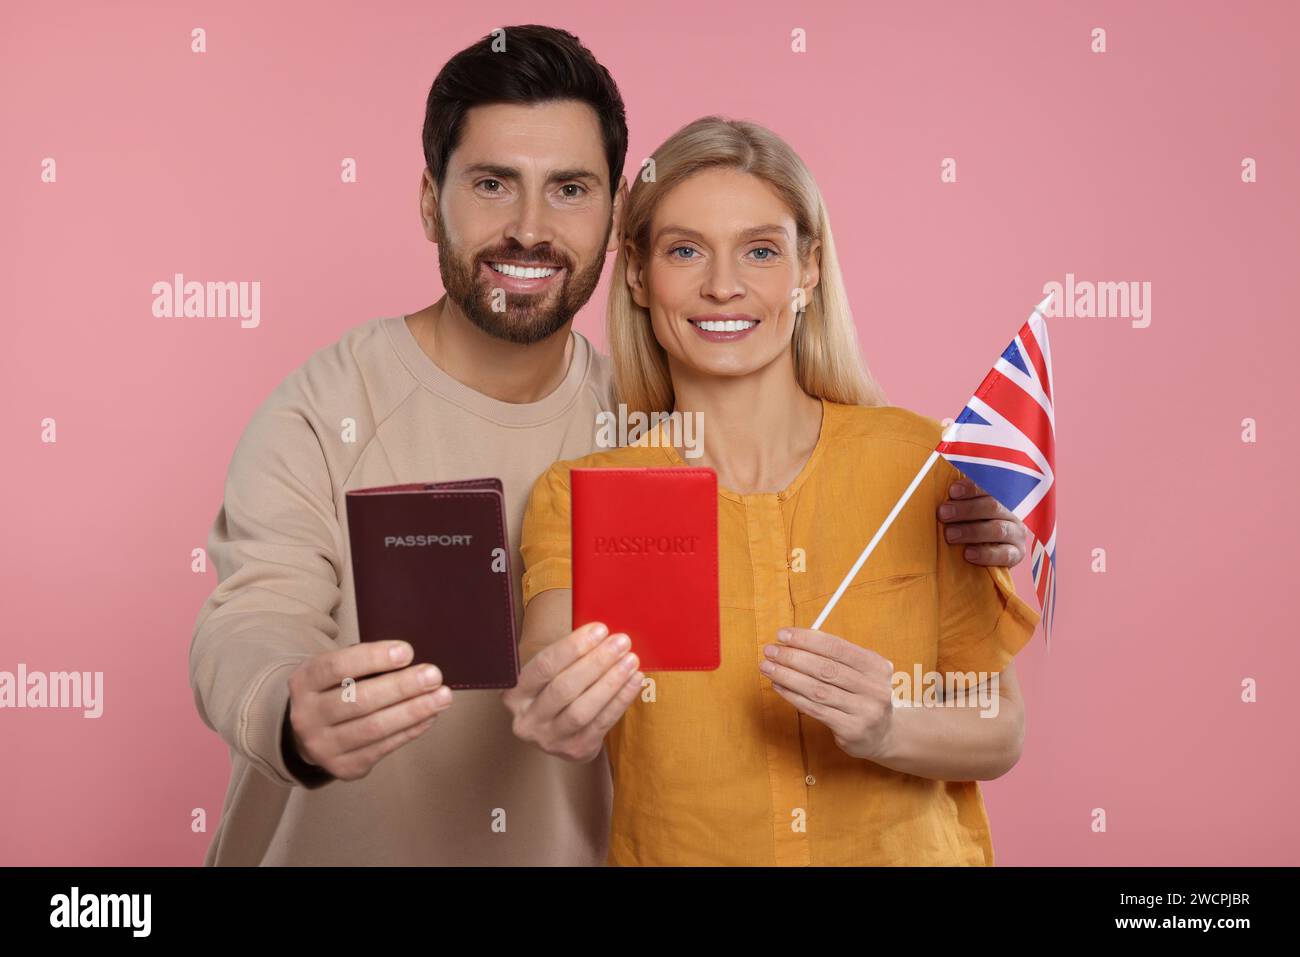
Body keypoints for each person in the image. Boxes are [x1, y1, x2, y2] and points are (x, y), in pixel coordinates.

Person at [190, 26, 1029, 866]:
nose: (528, 228)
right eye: (491, 184)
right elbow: (254, 617)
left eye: (568, 189)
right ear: (428, 199)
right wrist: (287, 711)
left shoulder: (644, 421)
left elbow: (970, 689)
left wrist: (990, 520)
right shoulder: (331, 406)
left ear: (612, 213)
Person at [510, 115, 1041, 866]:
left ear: (809, 269)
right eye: (685, 250)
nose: (723, 285)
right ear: (637, 273)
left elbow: (1000, 725)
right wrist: (556, 706)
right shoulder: (585, 496)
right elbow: (550, 667)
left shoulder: (921, 465)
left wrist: (892, 723)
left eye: (761, 250)